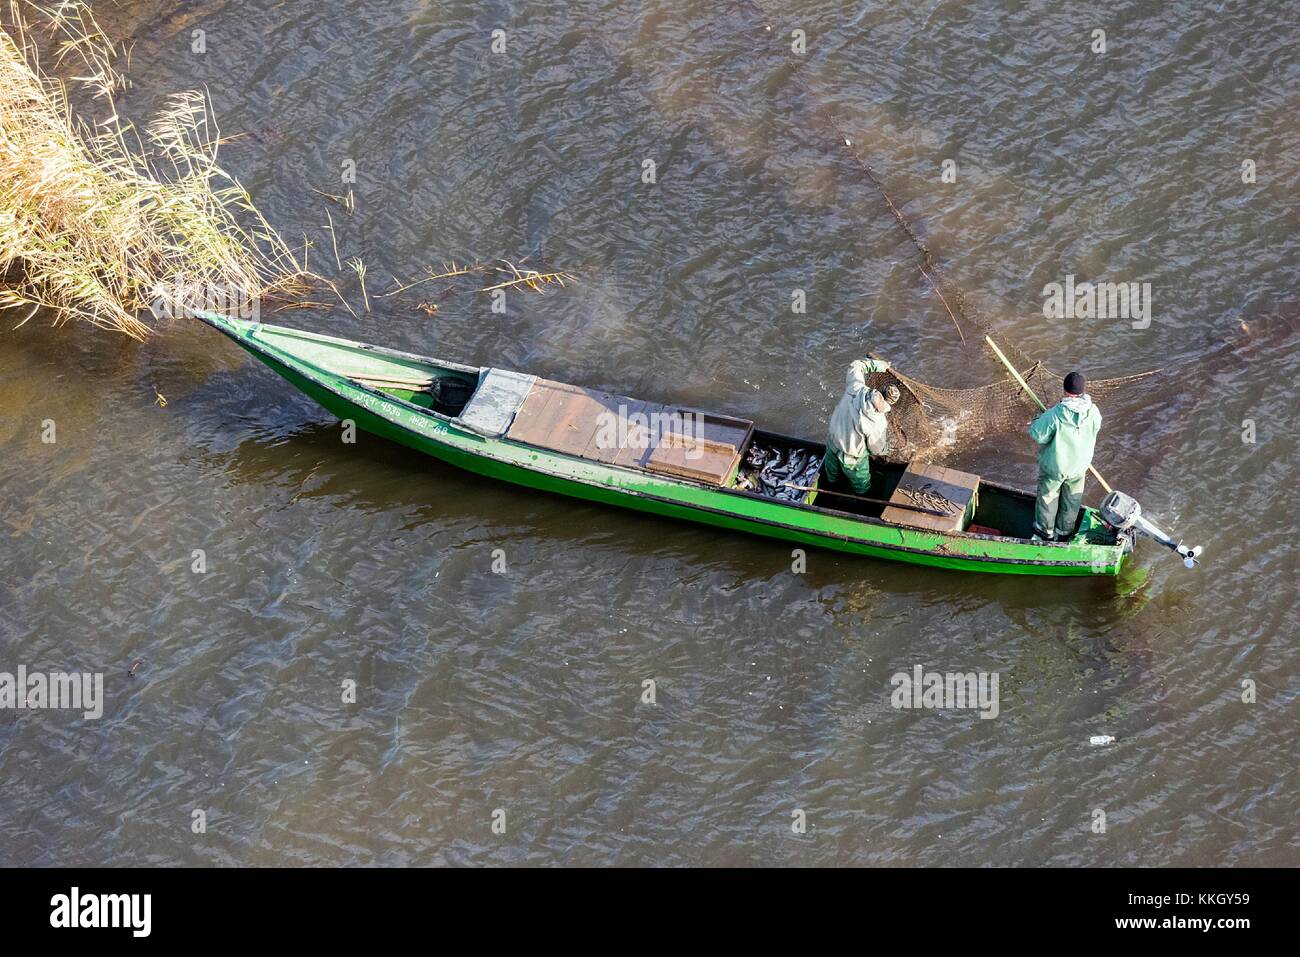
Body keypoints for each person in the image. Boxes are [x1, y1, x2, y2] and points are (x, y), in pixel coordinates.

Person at [1028, 371, 1102, 541]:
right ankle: (1064, 532)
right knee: (1072, 501)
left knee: (1049, 497)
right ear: (1082, 391)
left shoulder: (1056, 413)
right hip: (1079, 466)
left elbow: (1038, 434)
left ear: (1065, 390)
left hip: (1056, 467)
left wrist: (1038, 417)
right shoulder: (1093, 411)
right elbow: (1096, 428)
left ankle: (1044, 532)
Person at [824, 358, 899, 495]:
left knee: (831, 475)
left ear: (879, 390)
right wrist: (887, 449)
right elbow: (877, 449)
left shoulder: (856, 387)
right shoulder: (878, 421)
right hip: (851, 458)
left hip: (832, 442)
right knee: (861, 485)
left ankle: (829, 489)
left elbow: (855, 365)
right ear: (888, 403)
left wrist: (881, 365)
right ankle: (861, 502)